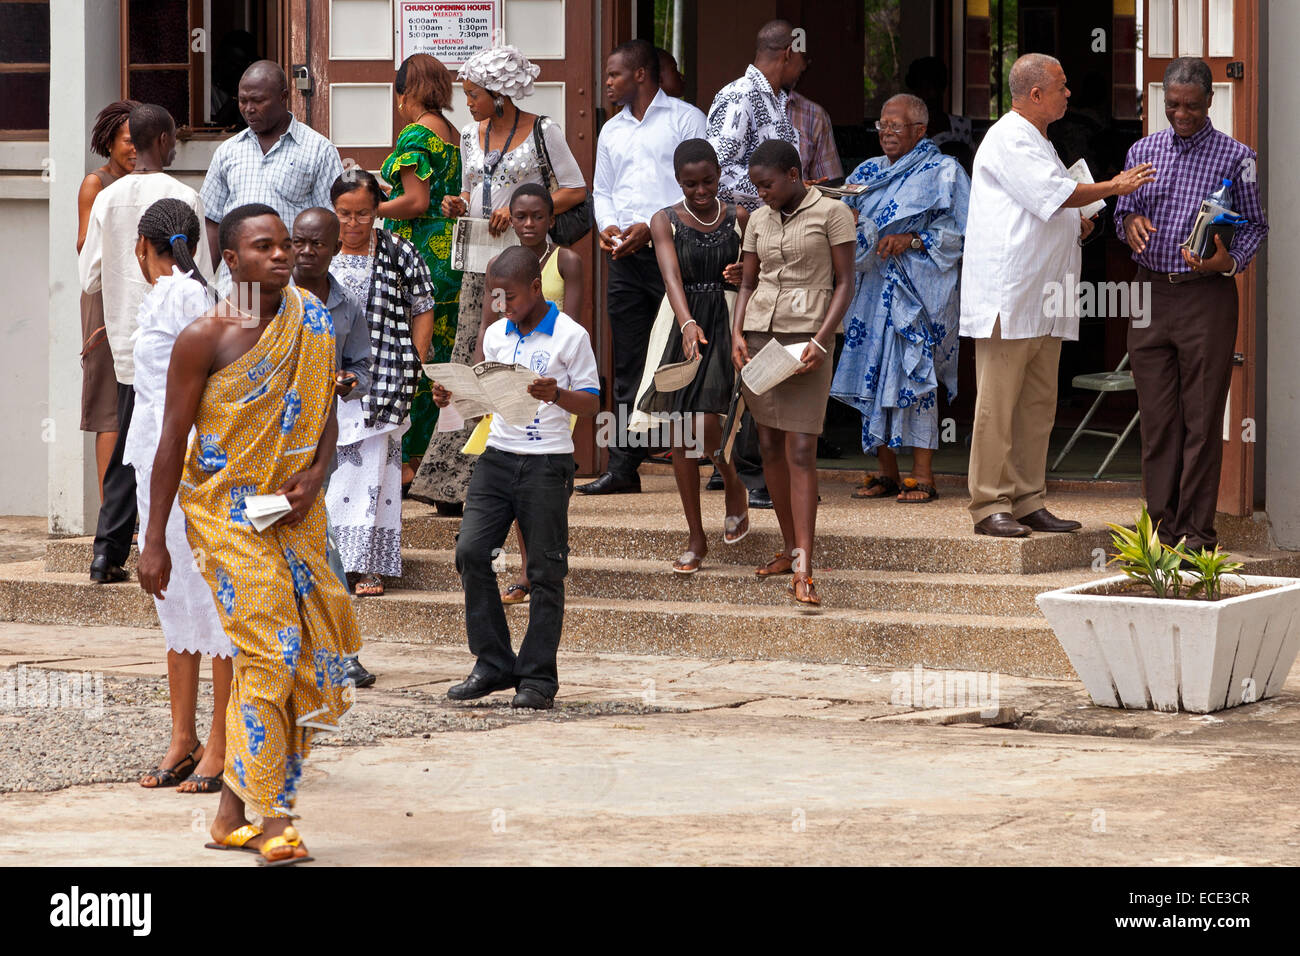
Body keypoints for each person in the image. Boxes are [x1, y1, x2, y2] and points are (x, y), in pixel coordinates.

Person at [138, 203, 362, 866]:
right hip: (224, 514)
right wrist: (153, 539)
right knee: (273, 649)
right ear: (231, 261)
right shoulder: (204, 336)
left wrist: (318, 476)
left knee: (294, 658)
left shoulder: (312, 320)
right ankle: (274, 818)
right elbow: (170, 439)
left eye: (286, 244)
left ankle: (231, 814)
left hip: (293, 515)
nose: (283, 255)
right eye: (264, 247)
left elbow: (324, 411)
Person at [960, 53, 1155, 538]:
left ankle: (1028, 499)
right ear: (1035, 94)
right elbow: (1056, 193)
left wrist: (1082, 221)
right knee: (997, 406)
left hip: (1045, 297)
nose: (1070, 94)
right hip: (1011, 294)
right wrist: (1116, 185)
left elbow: (1050, 206)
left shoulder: (1041, 141)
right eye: (1062, 86)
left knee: (1037, 406)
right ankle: (989, 505)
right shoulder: (1009, 137)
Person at [411, 44, 586, 514]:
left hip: (523, 261)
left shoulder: (543, 131)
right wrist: (457, 204)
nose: (466, 103)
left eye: (474, 94)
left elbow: (574, 188)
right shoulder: (470, 135)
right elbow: (470, 191)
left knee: (511, 354)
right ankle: (453, 479)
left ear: (500, 95)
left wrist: (522, 207)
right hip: (479, 261)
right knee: (474, 353)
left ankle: (501, 463)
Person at [433, 247, 600, 711]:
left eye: (508, 296)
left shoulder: (571, 336)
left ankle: (538, 677)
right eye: (493, 295)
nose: (500, 304)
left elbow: (592, 402)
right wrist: (453, 395)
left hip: (547, 462)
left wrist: (558, 394)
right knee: (470, 552)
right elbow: (484, 402)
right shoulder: (495, 336)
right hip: (498, 456)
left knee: (545, 571)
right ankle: (493, 662)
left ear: (535, 288)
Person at [1116, 57, 1268, 552]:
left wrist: (1227, 261)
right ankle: (1158, 534)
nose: (1180, 113)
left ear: (1210, 102)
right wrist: (1129, 224)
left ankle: (1197, 537)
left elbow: (1257, 225)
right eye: (1172, 104)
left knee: (1202, 421)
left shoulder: (1235, 156)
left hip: (1206, 298)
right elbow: (1124, 211)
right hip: (1148, 292)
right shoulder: (1142, 149)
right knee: (1158, 422)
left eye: (1191, 105)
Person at [123, 198, 233, 794]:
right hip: (165, 460)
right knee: (179, 598)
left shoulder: (177, 296)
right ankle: (183, 736)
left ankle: (217, 742)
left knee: (208, 600)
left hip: (186, 463)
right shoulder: (199, 294)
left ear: (145, 246)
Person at [79, 103, 213, 584]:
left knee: (128, 442)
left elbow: (89, 277)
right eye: (173, 138)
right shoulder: (184, 195)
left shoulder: (108, 199)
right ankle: (182, 539)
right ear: (162, 141)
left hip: (125, 339)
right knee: (182, 438)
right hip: (182, 341)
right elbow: (204, 276)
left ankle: (107, 552)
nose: (176, 147)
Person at [732, 140, 856, 607]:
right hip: (761, 336)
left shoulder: (832, 213)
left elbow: (846, 283)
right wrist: (736, 333)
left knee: (801, 445)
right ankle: (787, 547)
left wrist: (824, 340)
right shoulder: (758, 218)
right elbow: (747, 281)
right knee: (767, 444)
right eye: (755, 185)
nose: (760, 193)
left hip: (808, 341)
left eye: (766, 184)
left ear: (791, 173)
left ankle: (804, 567)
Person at [581, 38, 707, 496]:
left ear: (639, 74)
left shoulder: (686, 119)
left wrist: (655, 228)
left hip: (677, 255)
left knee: (689, 354)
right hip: (626, 259)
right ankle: (623, 466)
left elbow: (700, 187)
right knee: (629, 361)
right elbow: (602, 191)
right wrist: (610, 226)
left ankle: (707, 461)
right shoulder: (611, 130)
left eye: (614, 74)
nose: (607, 82)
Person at [830, 94, 970, 503]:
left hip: (917, 292)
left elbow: (964, 231)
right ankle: (885, 472)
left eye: (896, 126)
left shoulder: (944, 171)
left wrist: (912, 239)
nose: (887, 133)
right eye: (882, 125)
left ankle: (923, 474)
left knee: (915, 376)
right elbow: (841, 222)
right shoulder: (867, 171)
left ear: (920, 131)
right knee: (872, 376)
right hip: (871, 292)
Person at [631, 138, 749, 572]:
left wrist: (743, 270)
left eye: (709, 181)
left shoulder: (738, 216)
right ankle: (696, 537)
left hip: (728, 318)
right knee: (680, 434)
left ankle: (732, 482)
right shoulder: (664, 219)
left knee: (707, 420)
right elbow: (670, 275)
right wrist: (686, 323)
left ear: (719, 174)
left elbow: (757, 268)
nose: (701, 191)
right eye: (690, 184)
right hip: (683, 322)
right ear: (678, 181)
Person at [326, 171, 435, 600]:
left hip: (385, 380)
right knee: (334, 476)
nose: (353, 224)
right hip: (326, 383)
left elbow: (423, 305)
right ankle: (331, 559)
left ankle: (365, 565)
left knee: (374, 476)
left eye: (363, 215)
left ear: (377, 212)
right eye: (345, 214)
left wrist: (416, 359)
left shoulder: (397, 251)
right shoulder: (318, 251)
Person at [289, 206, 377, 690]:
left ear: (334, 245)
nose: (305, 251)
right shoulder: (269, 297)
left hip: (318, 441)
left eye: (316, 244)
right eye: (297, 242)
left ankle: (342, 653)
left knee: (320, 547)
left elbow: (362, 366)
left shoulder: (347, 305)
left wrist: (349, 382)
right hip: (263, 442)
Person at [484, 184, 584, 605]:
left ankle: (546, 564)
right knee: (513, 471)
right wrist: (479, 376)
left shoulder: (568, 260)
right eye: (520, 216)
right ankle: (525, 570)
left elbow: (573, 322)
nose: (528, 224)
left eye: (537, 217)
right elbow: (490, 323)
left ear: (551, 219)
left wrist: (557, 378)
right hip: (508, 380)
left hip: (554, 382)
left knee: (546, 479)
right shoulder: (500, 265)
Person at [376, 53, 463, 491]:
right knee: (440, 358)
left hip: (418, 259)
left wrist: (368, 207)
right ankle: (434, 460)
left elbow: (415, 202)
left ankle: (409, 463)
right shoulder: (451, 132)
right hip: (448, 259)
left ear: (403, 92)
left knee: (412, 354)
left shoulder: (414, 134)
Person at [199, 60, 343, 289]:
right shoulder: (227, 151)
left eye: (258, 101)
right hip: (236, 289)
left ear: (283, 97)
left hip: (292, 290)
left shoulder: (318, 150)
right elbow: (213, 223)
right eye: (243, 101)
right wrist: (202, 283)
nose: (248, 109)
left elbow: (331, 224)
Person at [78, 100, 138, 498]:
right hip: (104, 299)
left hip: (138, 299)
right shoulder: (96, 184)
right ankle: (110, 512)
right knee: (108, 411)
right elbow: (84, 246)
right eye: (128, 141)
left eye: (141, 141)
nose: (135, 149)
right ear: (109, 142)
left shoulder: (150, 180)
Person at [705, 19, 804, 211]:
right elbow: (718, 173)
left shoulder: (776, 100)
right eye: (803, 58)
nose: (804, 66)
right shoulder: (739, 96)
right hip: (748, 231)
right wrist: (782, 189)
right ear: (789, 53)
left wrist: (795, 187)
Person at [786, 88, 841, 183]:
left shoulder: (814, 114)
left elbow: (829, 183)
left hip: (805, 197)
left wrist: (807, 189)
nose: (800, 72)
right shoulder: (751, 107)